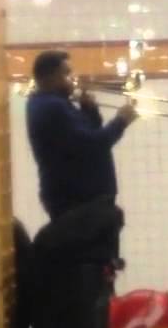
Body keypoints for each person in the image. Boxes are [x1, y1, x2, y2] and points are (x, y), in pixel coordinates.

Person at [25, 50, 138, 222]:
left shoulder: (53, 103)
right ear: (51, 77)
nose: (73, 79)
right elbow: (93, 146)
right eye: (66, 74)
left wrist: (89, 110)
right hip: (78, 203)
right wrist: (121, 121)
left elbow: (88, 134)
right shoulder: (52, 107)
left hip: (80, 200)